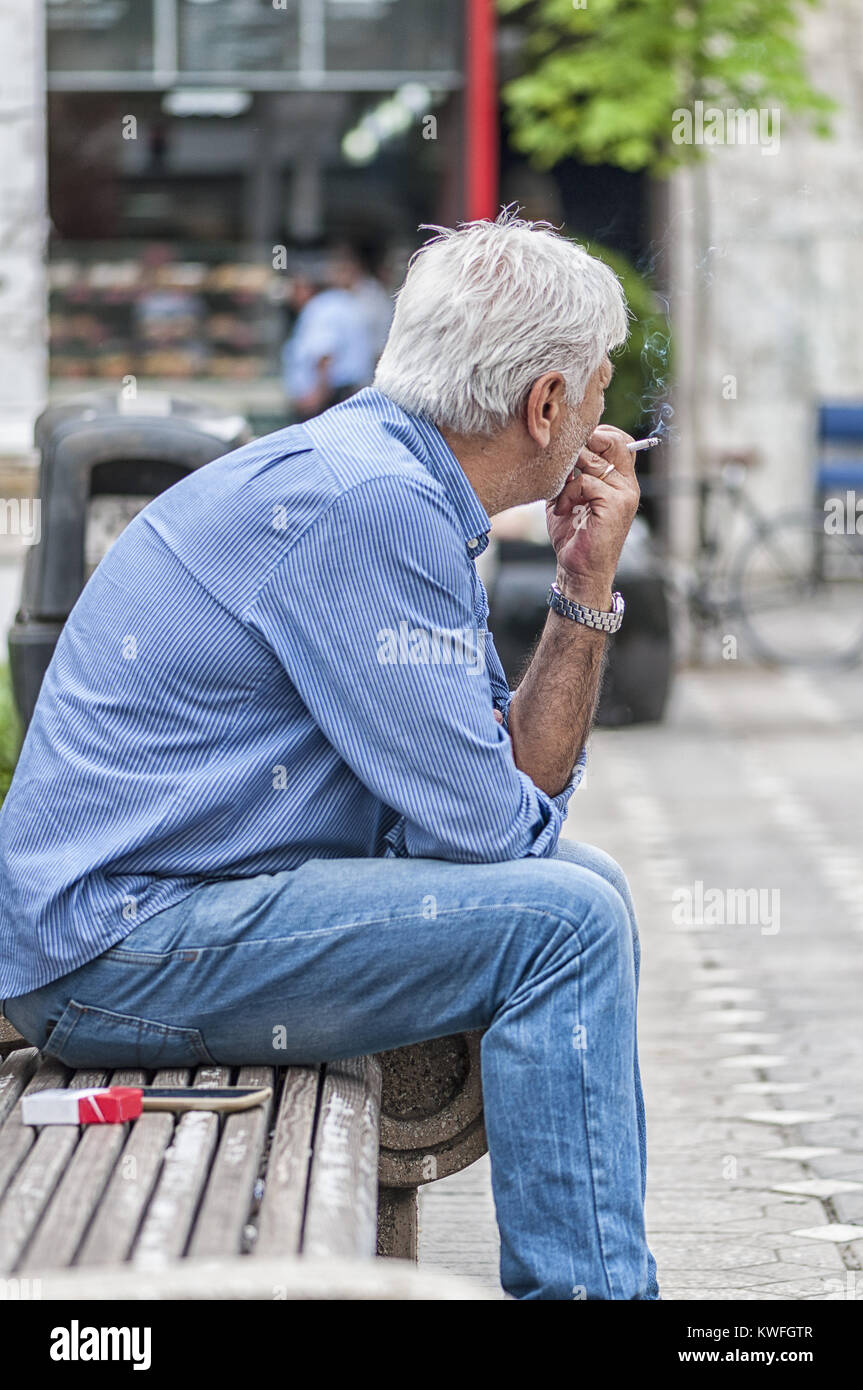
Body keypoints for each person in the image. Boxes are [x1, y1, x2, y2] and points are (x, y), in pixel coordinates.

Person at [0, 212, 657, 1300]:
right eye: (595, 387)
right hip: (108, 949)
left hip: (145, 921)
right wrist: (506, 814)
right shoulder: (371, 505)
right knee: (565, 920)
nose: (603, 413)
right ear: (544, 404)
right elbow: (493, 830)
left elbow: (503, 796)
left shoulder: (384, 477)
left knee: (582, 889)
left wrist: (582, 586)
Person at [281, 265, 374, 420]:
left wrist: (317, 397)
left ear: (307, 288)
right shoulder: (340, 302)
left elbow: (325, 355)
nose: (291, 296)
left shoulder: (320, 308)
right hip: (345, 392)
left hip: (331, 398)